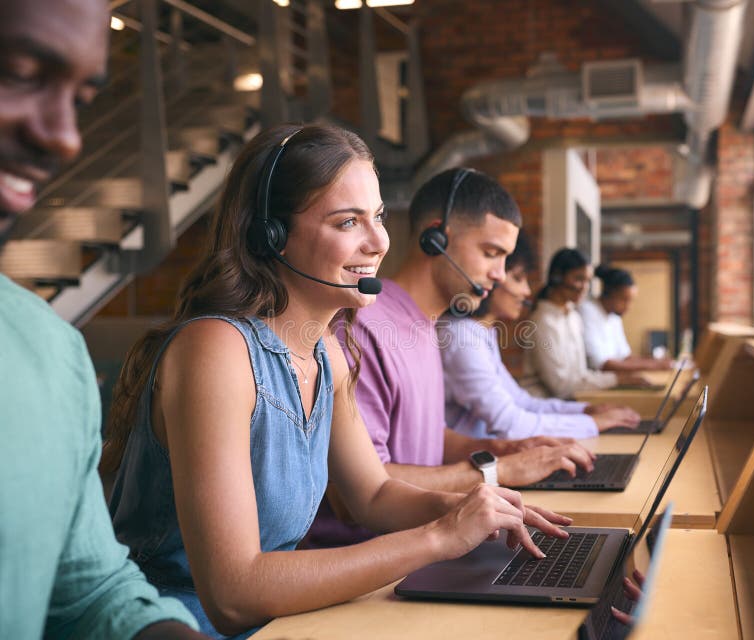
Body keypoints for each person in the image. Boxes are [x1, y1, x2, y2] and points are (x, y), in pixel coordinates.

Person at [100, 127, 573, 639]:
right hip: (179, 626)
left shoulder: (327, 352)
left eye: (378, 217)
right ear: (271, 235)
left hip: (278, 625)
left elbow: (374, 494)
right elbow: (232, 595)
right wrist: (439, 537)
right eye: (348, 222)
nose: (379, 242)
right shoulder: (216, 350)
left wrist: (475, 506)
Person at [0, 0, 204, 637]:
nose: (66, 138)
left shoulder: (50, 350)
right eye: (18, 72)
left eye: (83, 100)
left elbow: (91, 592)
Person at [305, 168, 595, 548]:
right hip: (374, 557)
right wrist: (497, 471)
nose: (500, 275)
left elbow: (425, 438)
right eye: (491, 253)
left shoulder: (426, 323)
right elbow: (360, 492)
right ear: (435, 239)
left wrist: (502, 449)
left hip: (425, 539)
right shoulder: (362, 327)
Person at [438, 233, 640, 441]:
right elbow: (508, 422)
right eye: (518, 278)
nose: (527, 291)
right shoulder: (461, 338)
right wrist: (592, 422)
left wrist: (585, 411)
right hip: (492, 449)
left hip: (510, 438)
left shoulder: (481, 333)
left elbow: (522, 402)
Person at [522, 248, 647, 399]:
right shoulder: (543, 322)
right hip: (542, 403)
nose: (584, 287)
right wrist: (616, 379)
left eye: (588, 281)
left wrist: (621, 379)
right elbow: (560, 386)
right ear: (557, 277)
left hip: (570, 399)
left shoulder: (573, 317)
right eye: (579, 279)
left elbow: (580, 375)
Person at [579, 264, 674, 372]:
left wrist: (657, 362)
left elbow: (625, 357)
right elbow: (603, 364)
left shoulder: (614, 317)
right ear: (609, 293)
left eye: (630, 301)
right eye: (624, 299)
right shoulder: (587, 311)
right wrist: (654, 366)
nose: (628, 307)